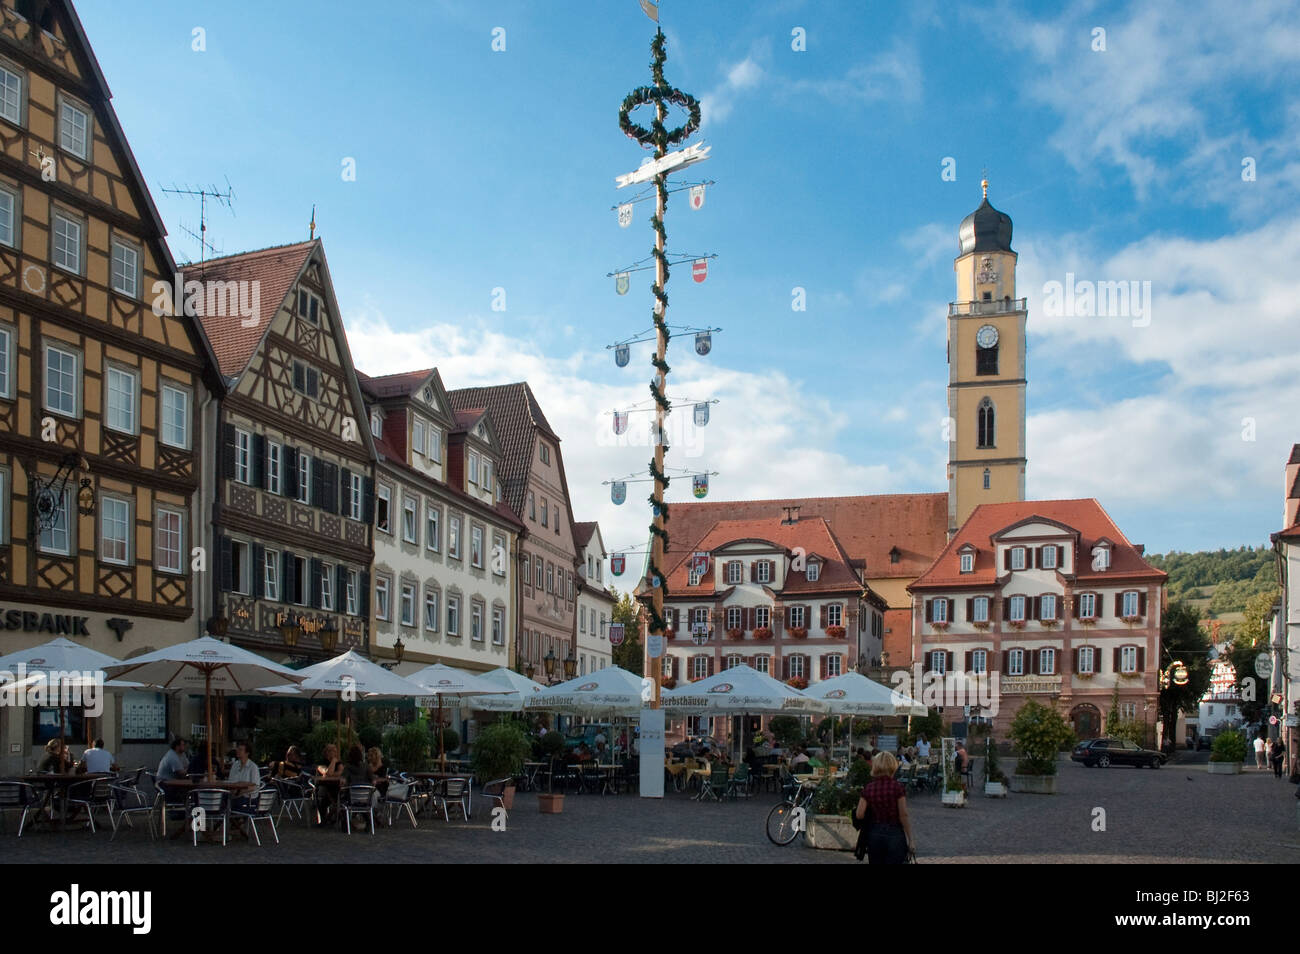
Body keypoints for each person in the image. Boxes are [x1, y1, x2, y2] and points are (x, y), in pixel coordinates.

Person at [854, 751, 914, 864]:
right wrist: (910, 839)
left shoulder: (869, 788)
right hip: (894, 832)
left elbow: (859, 814)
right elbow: (903, 815)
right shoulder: (898, 787)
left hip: (875, 832)